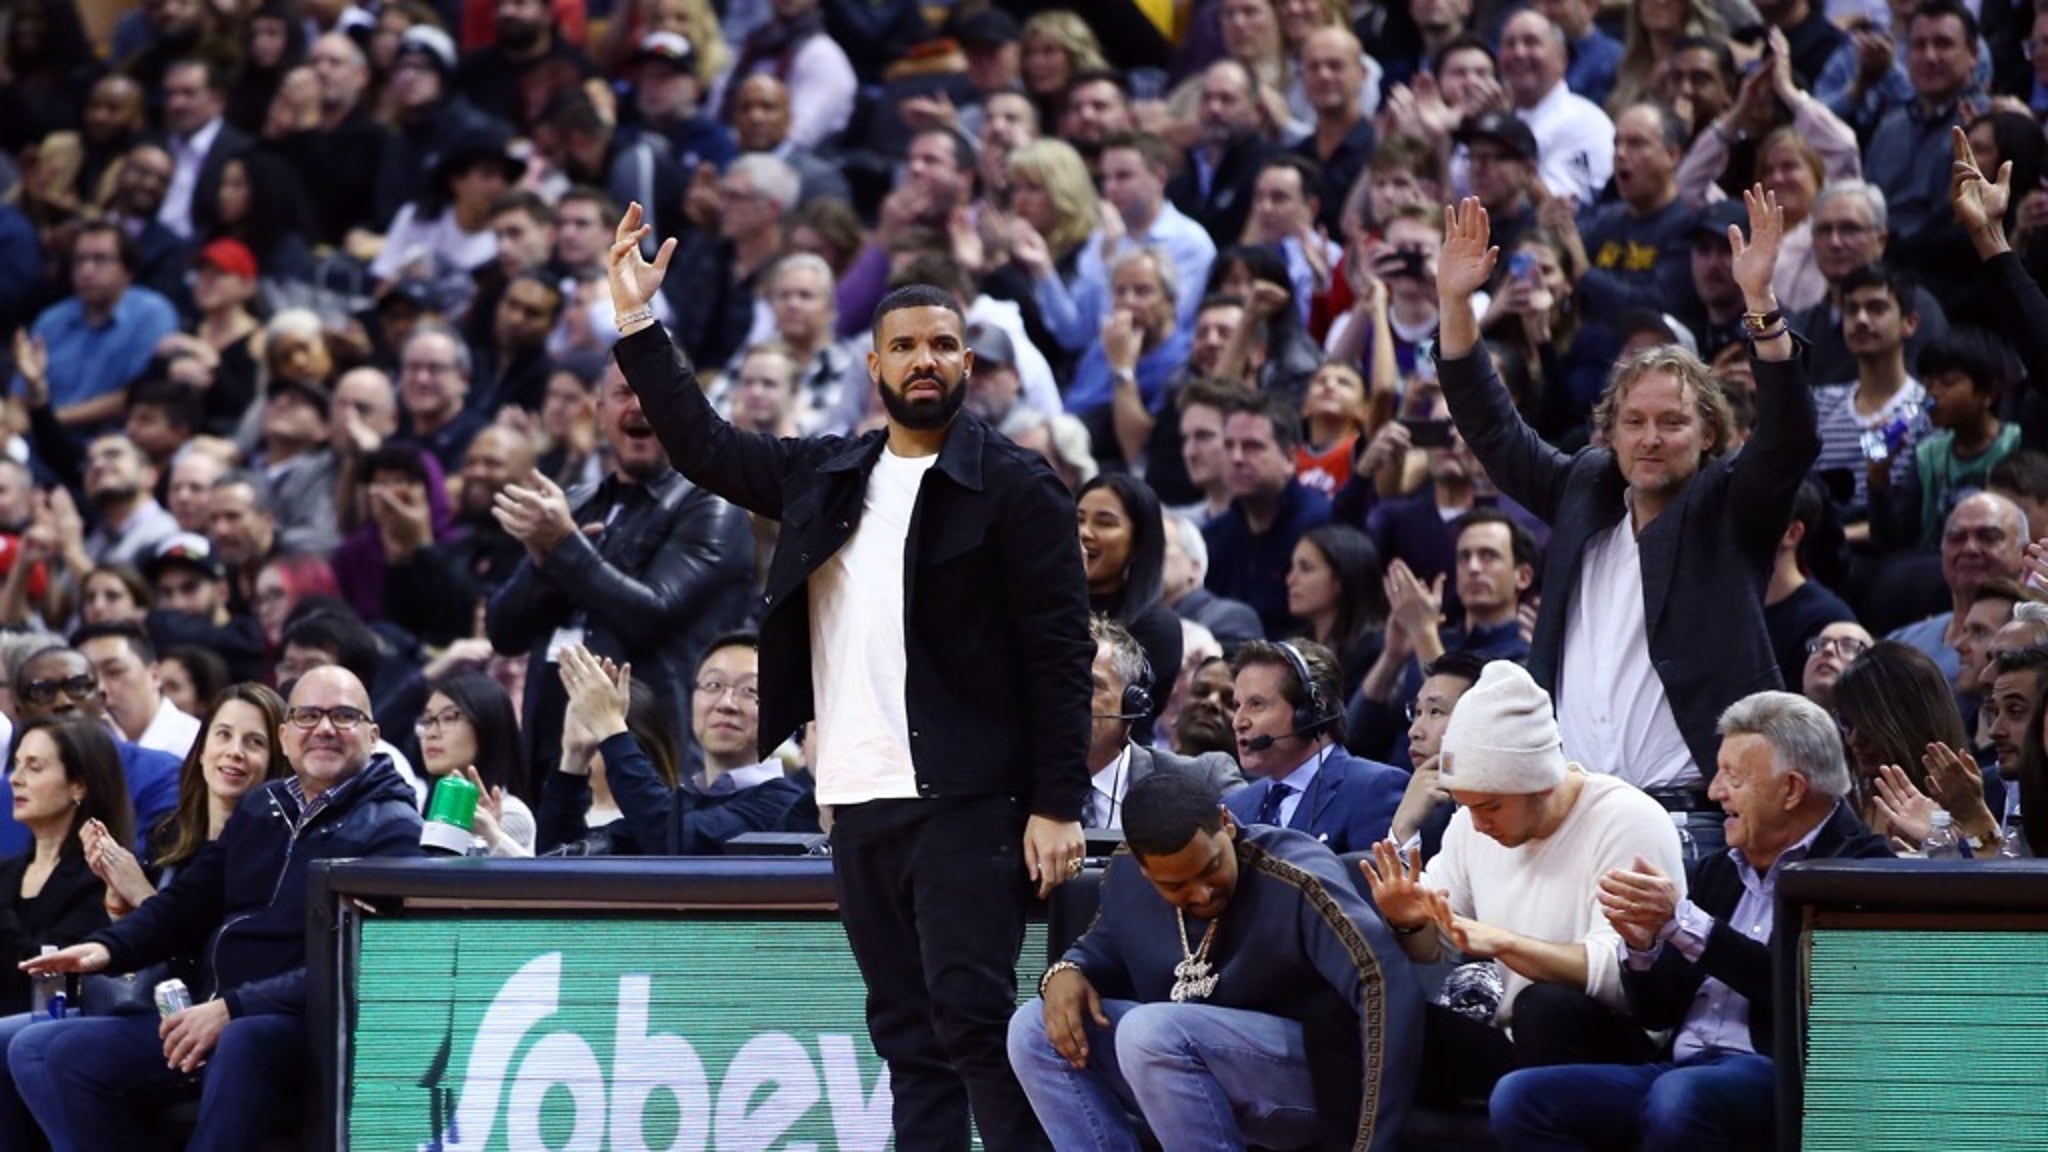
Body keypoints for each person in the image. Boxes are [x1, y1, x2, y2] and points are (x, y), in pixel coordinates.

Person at [608, 202, 1092, 1152]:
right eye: (904, 345)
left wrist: (1056, 802)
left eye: (944, 345)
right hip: (856, 797)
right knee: (908, 1040)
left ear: (965, 363)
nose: (925, 359)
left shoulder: (1021, 487)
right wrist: (637, 325)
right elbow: (704, 446)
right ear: (873, 367)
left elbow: (1060, 651)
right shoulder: (825, 474)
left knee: (975, 1028)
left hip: (970, 798)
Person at [1435, 188, 1817, 813]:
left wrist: (1761, 305)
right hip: (1573, 806)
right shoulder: (1584, 486)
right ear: (1609, 432)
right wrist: (1455, 303)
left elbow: (1789, 437)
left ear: (1709, 435)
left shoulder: (1730, 503)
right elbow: (1494, 431)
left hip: (1700, 813)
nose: (1650, 439)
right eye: (1634, 422)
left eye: (1672, 422)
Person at [10, 667, 422, 1150]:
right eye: (308, 715)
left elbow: (361, 963)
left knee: (245, 1041)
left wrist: (234, 1007)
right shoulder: (262, 807)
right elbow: (185, 904)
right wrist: (104, 949)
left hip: (301, 1027)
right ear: (287, 736)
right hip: (214, 1011)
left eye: (343, 716)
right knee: (39, 1051)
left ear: (373, 736)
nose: (325, 728)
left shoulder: (392, 828)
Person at [1488, 690, 1893, 1150]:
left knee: (1678, 1097)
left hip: (1783, 1076)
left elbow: (1812, 996)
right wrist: (1642, 947)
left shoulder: (1859, 867)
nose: (1715, 791)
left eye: (1732, 777)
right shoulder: (1722, 868)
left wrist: (1685, 924)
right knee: (1520, 1097)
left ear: (1792, 789)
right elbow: (1657, 1010)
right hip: (1679, 1068)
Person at [1007, 770, 1423, 1152]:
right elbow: (1104, 944)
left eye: (1211, 868)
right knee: (1032, 1028)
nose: (1202, 893)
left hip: (1316, 1081)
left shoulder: (1295, 871)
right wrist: (1066, 971)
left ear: (1226, 822)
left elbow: (1384, 983)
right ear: (1145, 871)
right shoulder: (1125, 875)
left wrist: (1373, 1140)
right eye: (1176, 885)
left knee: (1150, 1031)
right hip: (1182, 1069)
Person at [1361, 660, 1686, 1105]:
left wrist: (1506, 943)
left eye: (1490, 807)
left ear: (1542, 785)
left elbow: (1624, 980)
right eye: (1466, 806)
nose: (1476, 824)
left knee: (1545, 1006)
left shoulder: (1627, 819)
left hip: (1616, 1044)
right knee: (1380, 1019)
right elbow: (1436, 949)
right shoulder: (1469, 827)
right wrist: (1407, 923)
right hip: (1511, 1037)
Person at [485, 354, 754, 797]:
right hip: (553, 747)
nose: (639, 406)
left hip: (652, 755)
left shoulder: (712, 504)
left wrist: (564, 546)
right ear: (599, 412)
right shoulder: (574, 502)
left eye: (653, 393)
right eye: (624, 393)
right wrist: (541, 565)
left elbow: (652, 612)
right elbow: (503, 632)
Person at [1223, 640, 1406, 852]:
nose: (1238, 722)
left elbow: (1367, 883)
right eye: (1237, 706)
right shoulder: (1234, 808)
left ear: (1311, 712)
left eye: (1257, 704)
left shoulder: (1373, 789)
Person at [0, 646, 181, 861]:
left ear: (101, 699)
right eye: (43, 692)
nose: (64, 702)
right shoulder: (8, 790)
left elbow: (154, 864)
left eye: (78, 686)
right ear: (20, 713)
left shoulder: (161, 773)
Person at [1081, 616, 1244, 830]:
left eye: (1091, 684)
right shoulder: (1024, 784)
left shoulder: (1202, 779)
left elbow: (1269, 853)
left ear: (1133, 702)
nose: (1070, 697)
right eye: (1062, 683)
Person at [1076, 475, 1183, 739]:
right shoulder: (1039, 603)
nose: (1084, 532)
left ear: (1138, 543)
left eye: (1104, 522)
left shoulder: (1157, 626)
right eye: (1078, 519)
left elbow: (1093, 709)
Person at [415, 672, 534, 855]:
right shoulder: (420, 801)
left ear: (488, 725)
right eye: (427, 720)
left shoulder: (512, 814)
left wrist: (488, 834)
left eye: (449, 717)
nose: (431, 733)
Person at [72, 621, 201, 759]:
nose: (99, 688)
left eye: (114, 671)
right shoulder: (76, 749)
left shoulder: (194, 746)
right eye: (86, 679)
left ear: (154, 675)